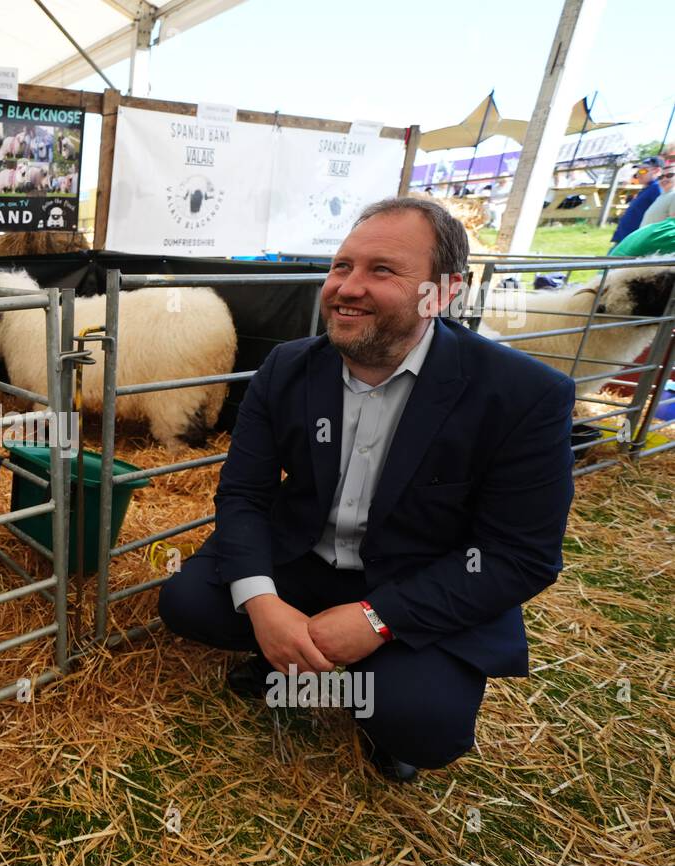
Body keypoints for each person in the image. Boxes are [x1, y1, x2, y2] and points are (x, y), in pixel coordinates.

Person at [157, 197, 576, 783]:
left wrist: (378, 619)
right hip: (303, 557)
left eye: (382, 270)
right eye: (341, 267)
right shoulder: (288, 367)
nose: (347, 287)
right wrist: (264, 604)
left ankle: (375, 704)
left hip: (417, 578)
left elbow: (519, 556)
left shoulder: (524, 396)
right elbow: (245, 494)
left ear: (443, 292)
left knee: (424, 724)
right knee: (187, 603)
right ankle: (285, 658)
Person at [611, 157, 664, 245]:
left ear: (657, 171)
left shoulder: (657, 189)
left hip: (634, 241)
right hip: (626, 238)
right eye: (638, 171)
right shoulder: (648, 189)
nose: (638, 174)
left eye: (643, 171)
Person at [638, 164, 675, 229]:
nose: (664, 179)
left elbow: (672, 226)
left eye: (669, 175)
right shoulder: (662, 196)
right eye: (661, 177)